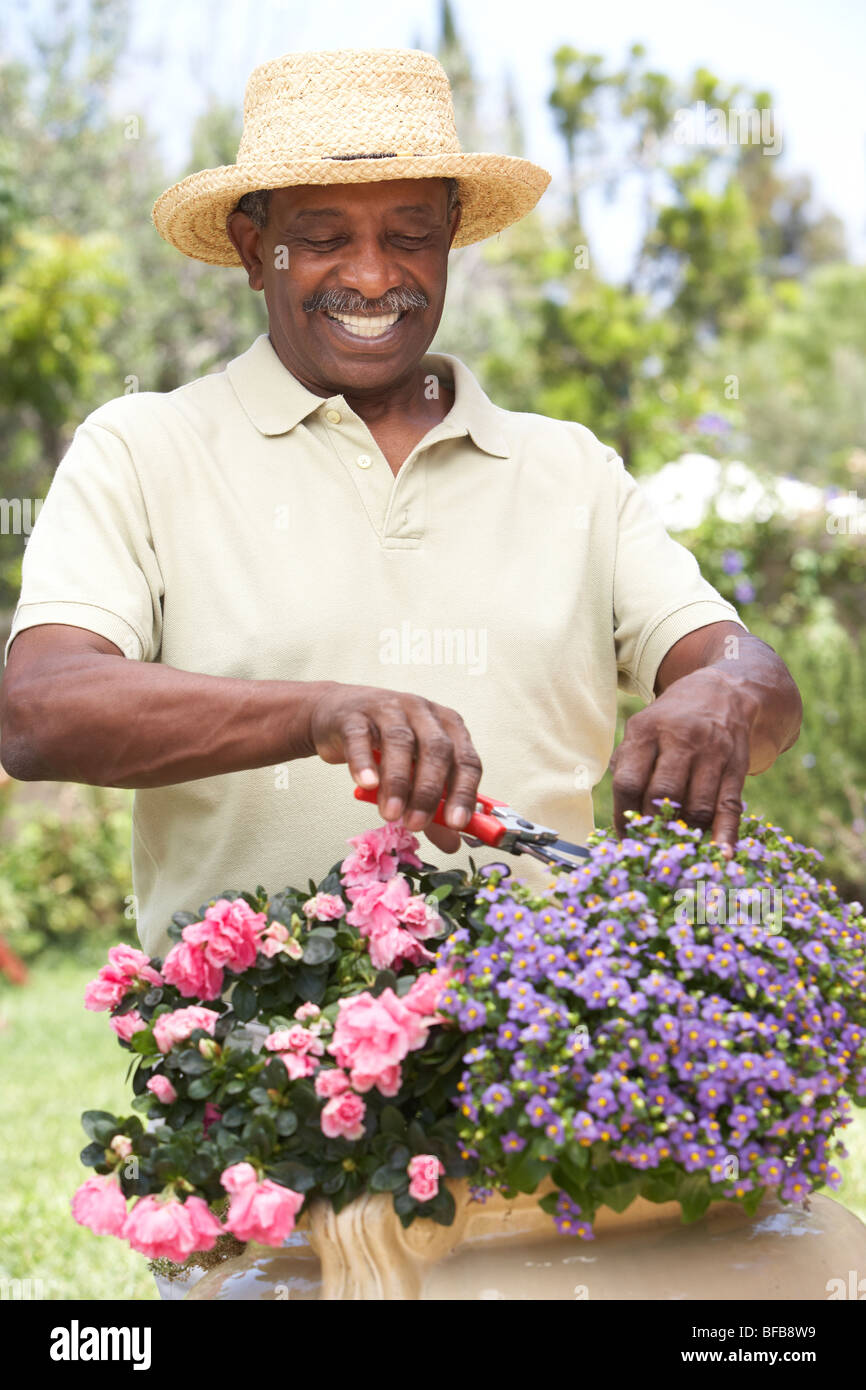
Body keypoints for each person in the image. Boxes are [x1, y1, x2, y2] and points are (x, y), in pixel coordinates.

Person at [0, 47, 801, 970]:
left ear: (453, 234)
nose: (375, 278)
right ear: (257, 247)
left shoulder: (572, 469)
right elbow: (41, 709)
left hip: (542, 1066)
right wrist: (318, 714)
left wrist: (725, 695)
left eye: (411, 234)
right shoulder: (142, 449)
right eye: (328, 237)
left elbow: (745, 665)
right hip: (258, 1077)